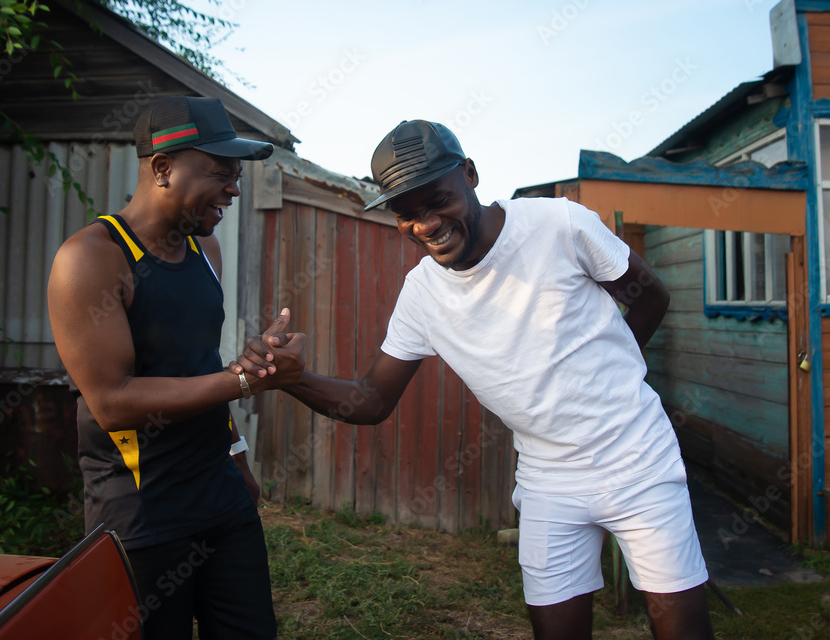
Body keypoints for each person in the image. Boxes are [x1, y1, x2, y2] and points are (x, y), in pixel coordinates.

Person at [234, 120, 714, 639]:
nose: (426, 224)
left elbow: (651, 296)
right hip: (548, 477)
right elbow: (371, 400)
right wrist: (289, 379)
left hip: (637, 457)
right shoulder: (422, 294)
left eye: (438, 200)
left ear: (471, 174)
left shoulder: (559, 225)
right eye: (407, 214)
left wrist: (614, 373)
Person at [47, 95, 305, 639]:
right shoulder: (91, 258)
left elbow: (197, 366)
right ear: (163, 168)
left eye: (237, 175)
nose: (234, 188)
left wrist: (236, 458)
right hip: (141, 513)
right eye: (221, 173)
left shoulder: (204, 250)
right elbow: (113, 402)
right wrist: (243, 379)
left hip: (221, 498)